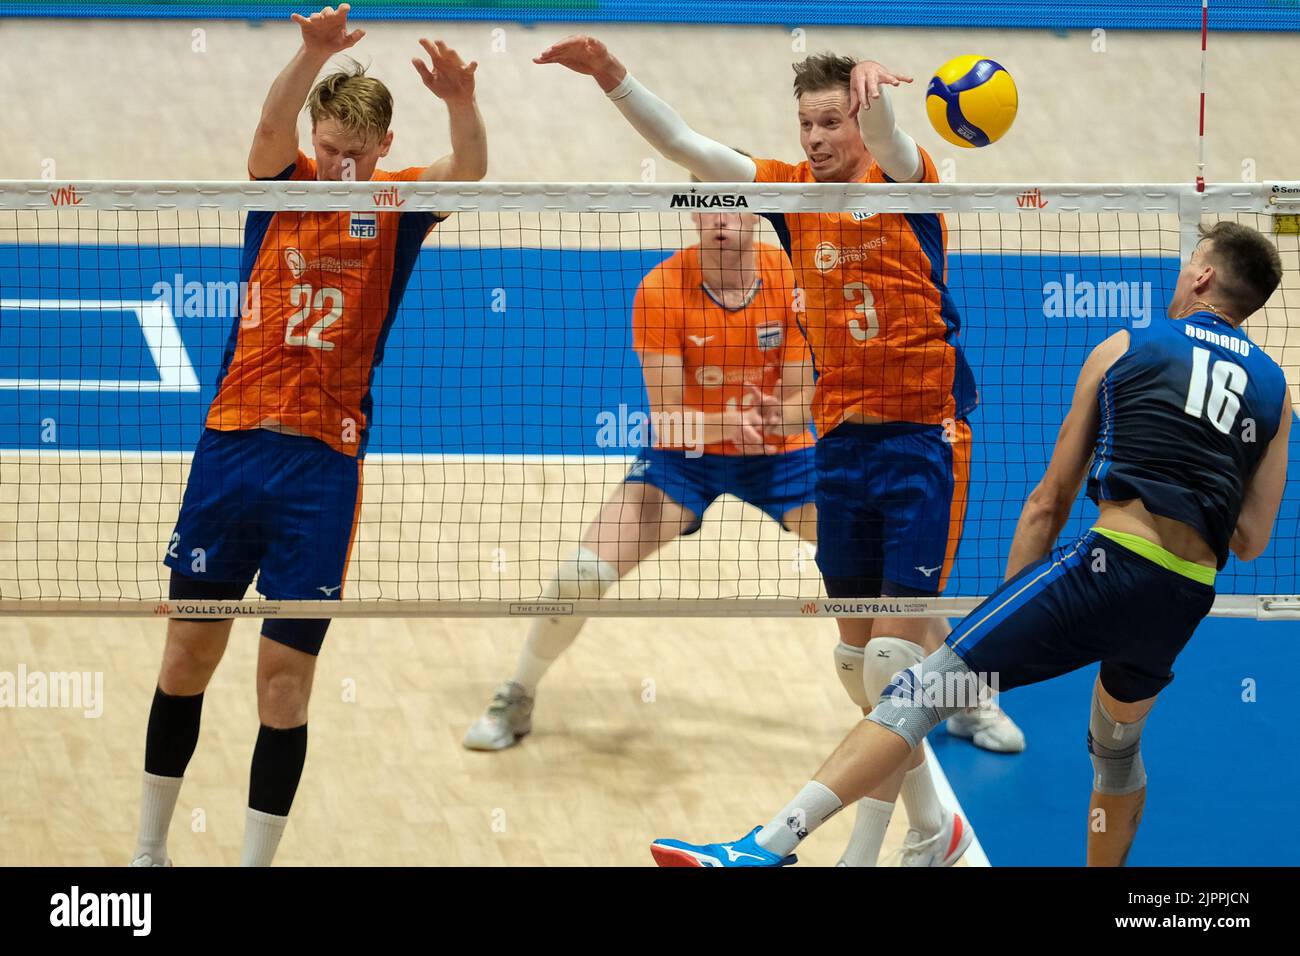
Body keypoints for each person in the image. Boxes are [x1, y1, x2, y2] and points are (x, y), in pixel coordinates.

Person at [650, 222, 1290, 866]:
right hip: (1183, 595)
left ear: (1204, 276)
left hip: (1104, 569)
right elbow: (1253, 538)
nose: (1182, 274)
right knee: (1117, 748)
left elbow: (1049, 500)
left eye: (1189, 265)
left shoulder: (1128, 345)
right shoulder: (1275, 392)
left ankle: (765, 847)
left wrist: (1010, 615)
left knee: (915, 696)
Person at [537, 35, 1023, 866]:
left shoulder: (906, 181)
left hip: (922, 439)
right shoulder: (790, 196)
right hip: (838, 446)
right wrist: (614, 80)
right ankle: (936, 827)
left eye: (832, 121)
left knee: (899, 662)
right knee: (856, 659)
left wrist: (882, 105)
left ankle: (864, 846)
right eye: (806, 124)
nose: (816, 138)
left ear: (860, 122)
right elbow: (689, 146)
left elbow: (900, 145)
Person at [130, 3, 487, 866]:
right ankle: (148, 851)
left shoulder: (398, 210)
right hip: (233, 446)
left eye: (357, 154)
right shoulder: (281, 183)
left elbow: (471, 171)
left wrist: (462, 102)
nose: (340, 165)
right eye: (330, 147)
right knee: (186, 659)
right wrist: (309, 54)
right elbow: (266, 124)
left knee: (282, 689)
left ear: (383, 150)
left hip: (323, 471)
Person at [465, 202, 818, 750]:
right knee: (581, 573)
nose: (723, 221)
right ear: (695, 218)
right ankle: (518, 693)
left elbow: (804, 395)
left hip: (780, 454)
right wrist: (732, 420)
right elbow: (670, 420)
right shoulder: (661, 290)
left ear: (756, 219)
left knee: (878, 568)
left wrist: (776, 418)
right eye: (710, 210)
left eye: (736, 209)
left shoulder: (789, 276)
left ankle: (957, 692)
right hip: (686, 459)